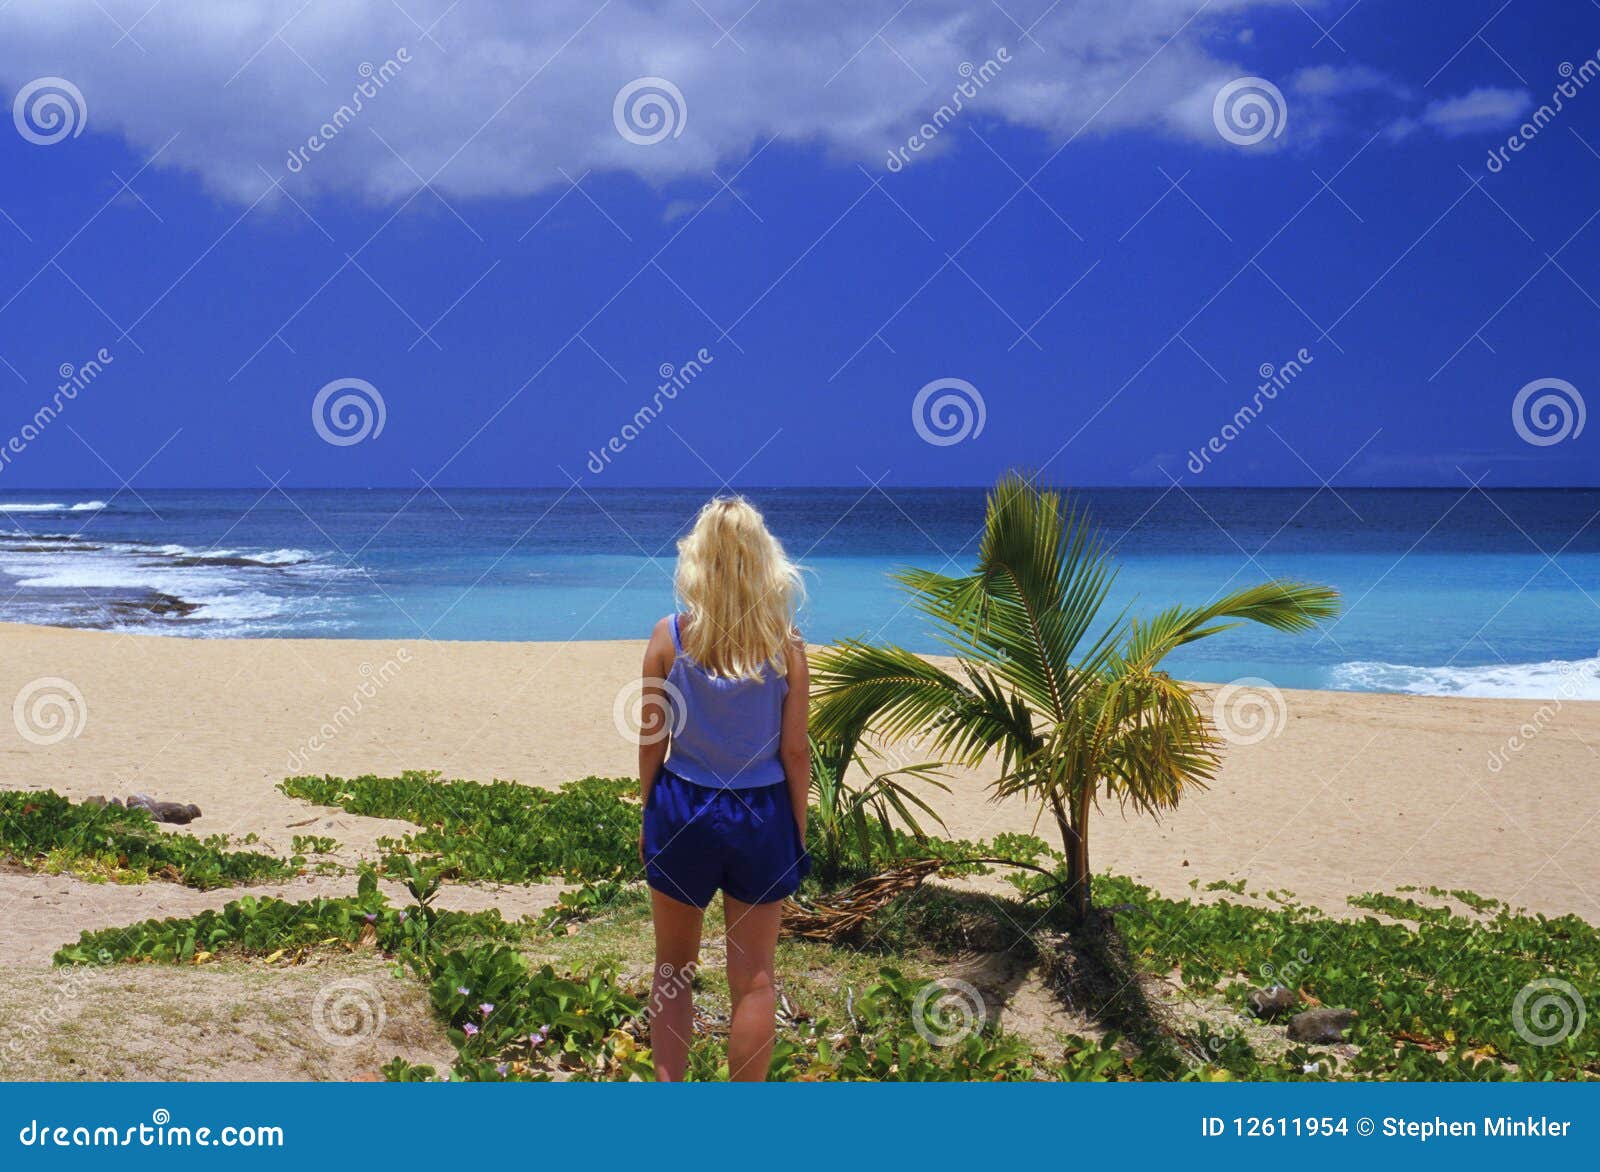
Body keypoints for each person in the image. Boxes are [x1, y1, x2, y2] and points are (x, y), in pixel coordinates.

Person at [636, 495, 810, 1081]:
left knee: (673, 971)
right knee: (755, 977)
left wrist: (649, 814)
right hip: (761, 813)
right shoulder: (787, 646)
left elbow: (650, 742)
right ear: (764, 562)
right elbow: (793, 751)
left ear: (698, 561)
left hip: (682, 804)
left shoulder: (670, 637)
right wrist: (796, 828)